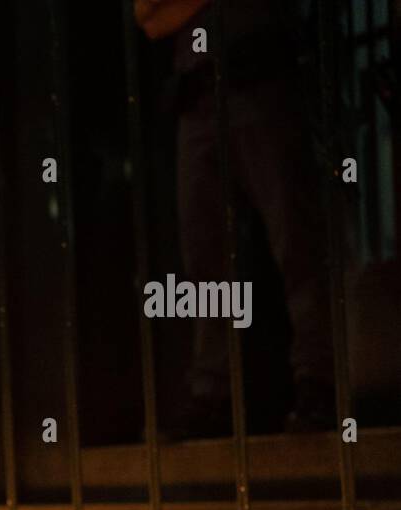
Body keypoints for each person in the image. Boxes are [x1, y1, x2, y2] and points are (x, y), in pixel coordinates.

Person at [137, 0, 336, 435]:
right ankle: (216, 391)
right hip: (201, 93)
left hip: (259, 77)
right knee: (206, 253)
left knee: (295, 238)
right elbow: (147, 17)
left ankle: (319, 378)